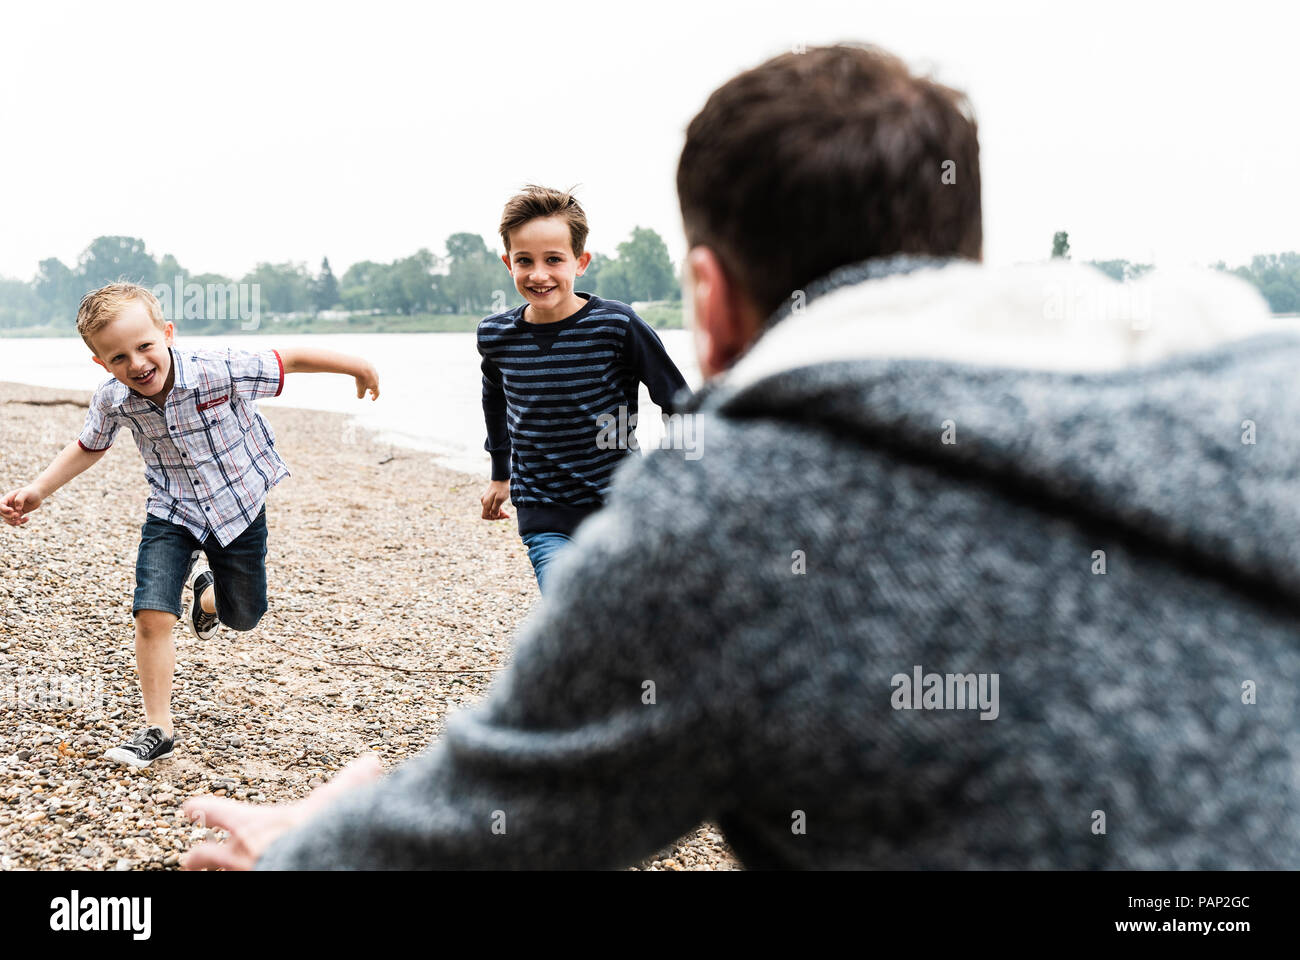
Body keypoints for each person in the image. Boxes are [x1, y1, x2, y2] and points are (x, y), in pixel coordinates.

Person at [184, 44, 1299, 870]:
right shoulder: (1264, 389)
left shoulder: (727, 517)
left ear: (706, 299)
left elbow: (494, 833)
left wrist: (306, 845)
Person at [0, 282, 380, 769]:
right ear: (101, 364)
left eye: (144, 347)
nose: (135, 364)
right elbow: (88, 446)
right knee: (152, 612)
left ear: (167, 334)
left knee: (244, 615)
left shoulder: (216, 369)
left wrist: (356, 365)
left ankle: (207, 594)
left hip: (238, 507)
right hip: (171, 512)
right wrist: (36, 491)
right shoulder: (114, 399)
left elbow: (288, 358)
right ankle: (157, 728)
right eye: (117, 358)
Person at [477, 185, 691, 591]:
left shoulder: (617, 325)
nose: (538, 274)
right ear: (508, 263)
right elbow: (494, 401)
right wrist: (500, 474)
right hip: (542, 509)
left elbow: (677, 400)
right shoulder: (495, 335)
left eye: (554, 259)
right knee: (566, 598)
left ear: (581, 262)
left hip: (620, 503)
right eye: (525, 261)